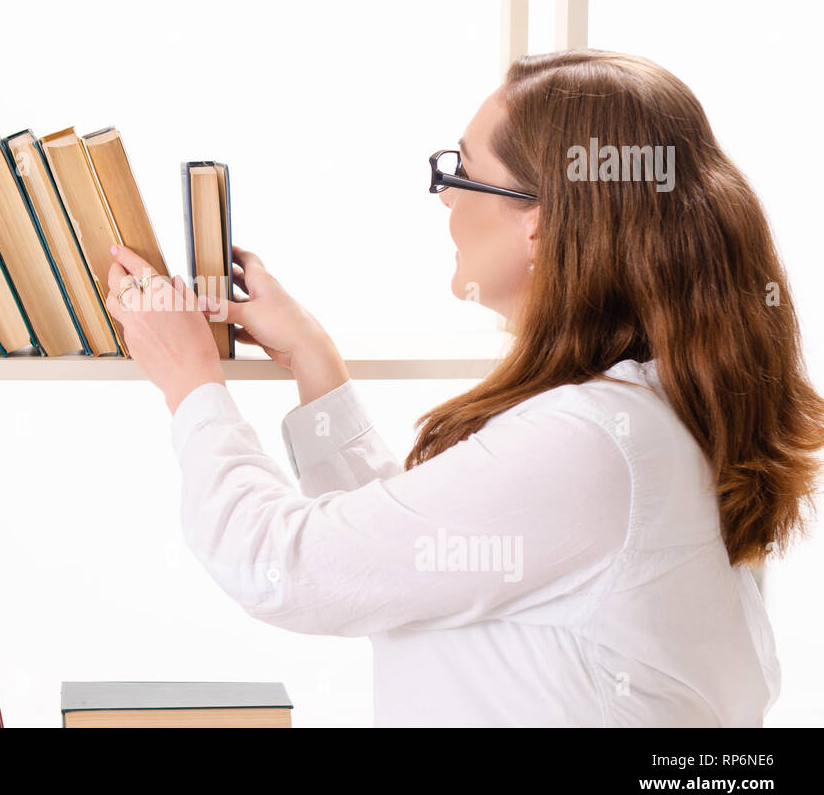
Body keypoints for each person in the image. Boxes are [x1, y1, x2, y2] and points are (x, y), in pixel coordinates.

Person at [100, 49, 824, 727]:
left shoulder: (593, 444)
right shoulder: (635, 420)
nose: (444, 199)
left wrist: (191, 382)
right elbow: (413, 559)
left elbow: (281, 565)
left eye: (460, 172)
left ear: (538, 218)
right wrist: (312, 363)